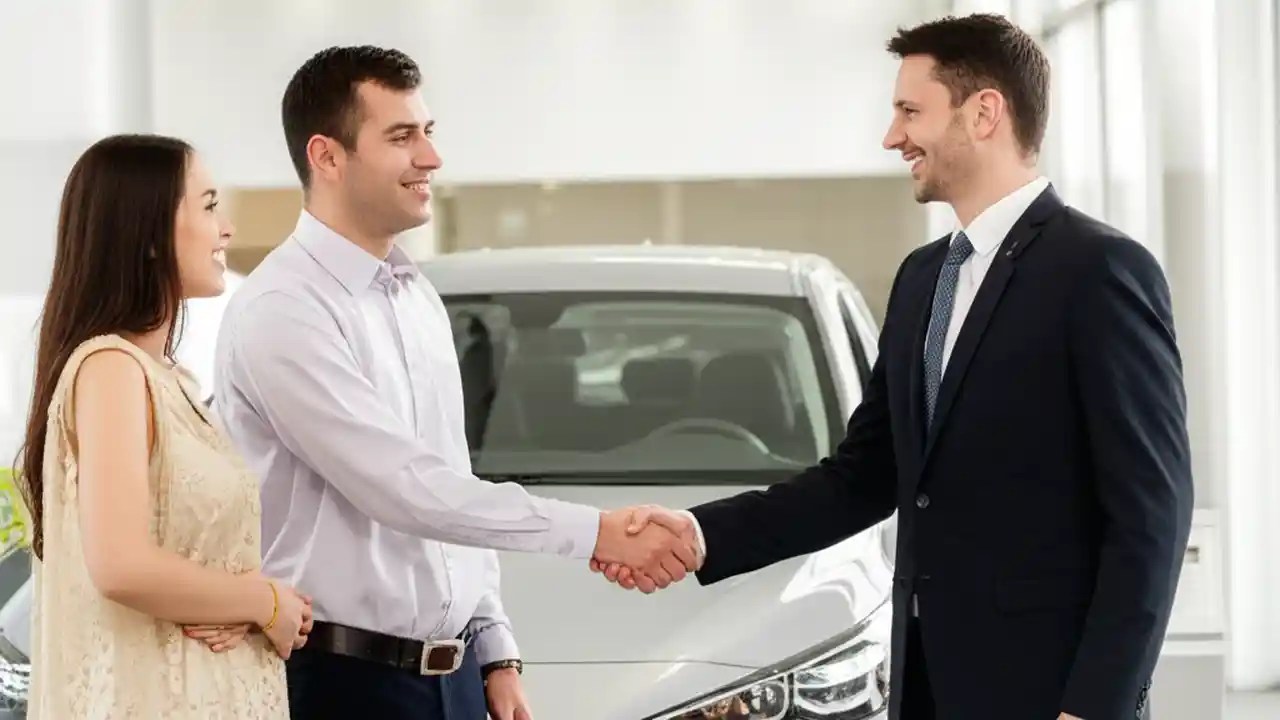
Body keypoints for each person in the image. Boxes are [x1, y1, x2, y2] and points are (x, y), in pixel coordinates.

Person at [595, 14, 1192, 720]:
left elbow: (1153, 513)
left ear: (985, 112)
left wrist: (1096, 707)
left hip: (1051, 697)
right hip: (930, 689)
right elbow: (863, 476)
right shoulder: (923, 279)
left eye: (911, 111)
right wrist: (698, 535)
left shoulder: (1098, 271)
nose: (892, 136)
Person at [212, 46, 696, 719]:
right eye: (402, 137)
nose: (431, 158)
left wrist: (494, 647)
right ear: (326, 156)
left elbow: (450, 478)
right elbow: (402, 487)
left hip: (455, 678)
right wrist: (596, 532)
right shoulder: (282, 311)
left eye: (428, 133)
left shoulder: (414, 295)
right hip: (338, 682)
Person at [15, 134, 312, 719]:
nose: (226, 228)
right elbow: (121, 564)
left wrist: (242, 602)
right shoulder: (110, 369)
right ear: (146, 235)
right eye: (207, 206)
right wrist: (262, 600)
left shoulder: (167, 377)